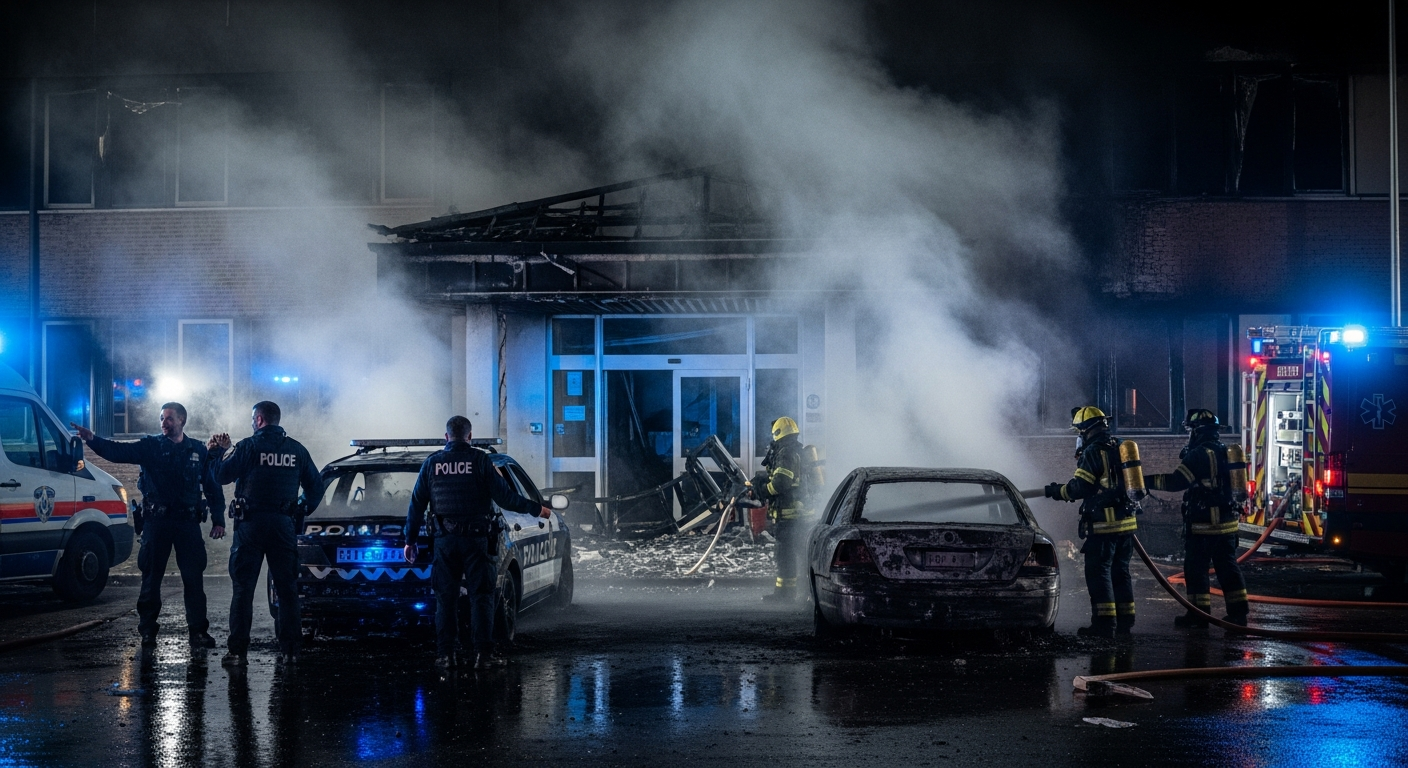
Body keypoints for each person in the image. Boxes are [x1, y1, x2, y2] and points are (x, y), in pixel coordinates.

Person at [402, 416, 552, 670]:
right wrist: (537, 509)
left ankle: (446, 656)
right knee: (481, 597)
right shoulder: (481, 461)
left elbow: (416, 505)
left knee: (445, 599)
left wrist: (410, 541)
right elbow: (506, 498)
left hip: (445, 542)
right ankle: (483, 656)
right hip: (476, 541)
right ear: (470, 437)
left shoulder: (432, 464)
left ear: (446, 437)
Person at [71, 403, 225, 649]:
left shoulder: (197, 449)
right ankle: (148, 632)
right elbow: (117, 452)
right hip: (157, 522)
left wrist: (219, 520)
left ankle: (198, 632)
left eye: (169, 419)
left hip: (187, 523)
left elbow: (212, 485)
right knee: (151, 580)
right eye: (162, 418)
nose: (164, 423)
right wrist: (92, 439)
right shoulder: (150, 446)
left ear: (182, 420)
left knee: (194, 580)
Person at [209, 401, 323, 666]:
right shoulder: (297, 450)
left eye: (252, 419)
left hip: (250, 525)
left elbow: (221, 476)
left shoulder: (248, 447)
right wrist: (297, 510)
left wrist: (216, 453)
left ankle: (237, 653)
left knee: (243, 589)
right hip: (283, 526)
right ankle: (292, 652)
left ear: (259, 420)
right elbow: (316, 489)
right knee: (287, 590)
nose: (252, 423)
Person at [1145, 409, 1250, 627]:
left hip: (1204, 525)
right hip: (1228, 523)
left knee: (1196, 570)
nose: (1189, 435)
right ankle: (1239, 615)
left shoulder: (1199, 454)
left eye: (1190, 430)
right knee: (1228, 568)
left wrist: (1145, 481)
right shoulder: (1224, 451)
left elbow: (1176, 482)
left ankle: (1198, 616)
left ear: (1197, 432)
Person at [1045, 406, 1138, 639]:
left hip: (1104, 527)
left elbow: (1080, 487)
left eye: (1079, 431)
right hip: (1126, 525)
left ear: (1086, 430)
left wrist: (1057, 491)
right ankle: (1125, 622)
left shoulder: (1093, 452)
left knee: (1099, 574)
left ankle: (1104, 626)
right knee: (1120, 573)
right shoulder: (1119, 446)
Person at [753, 416, 806, 602]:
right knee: (799, 554)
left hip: (789, 515)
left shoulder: (785, 452)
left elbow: (781, 482)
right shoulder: (795, 450)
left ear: (777, 432)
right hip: (798, 515)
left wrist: (763, 490)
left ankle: (785, 595)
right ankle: (803, 593)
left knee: (785, 556)